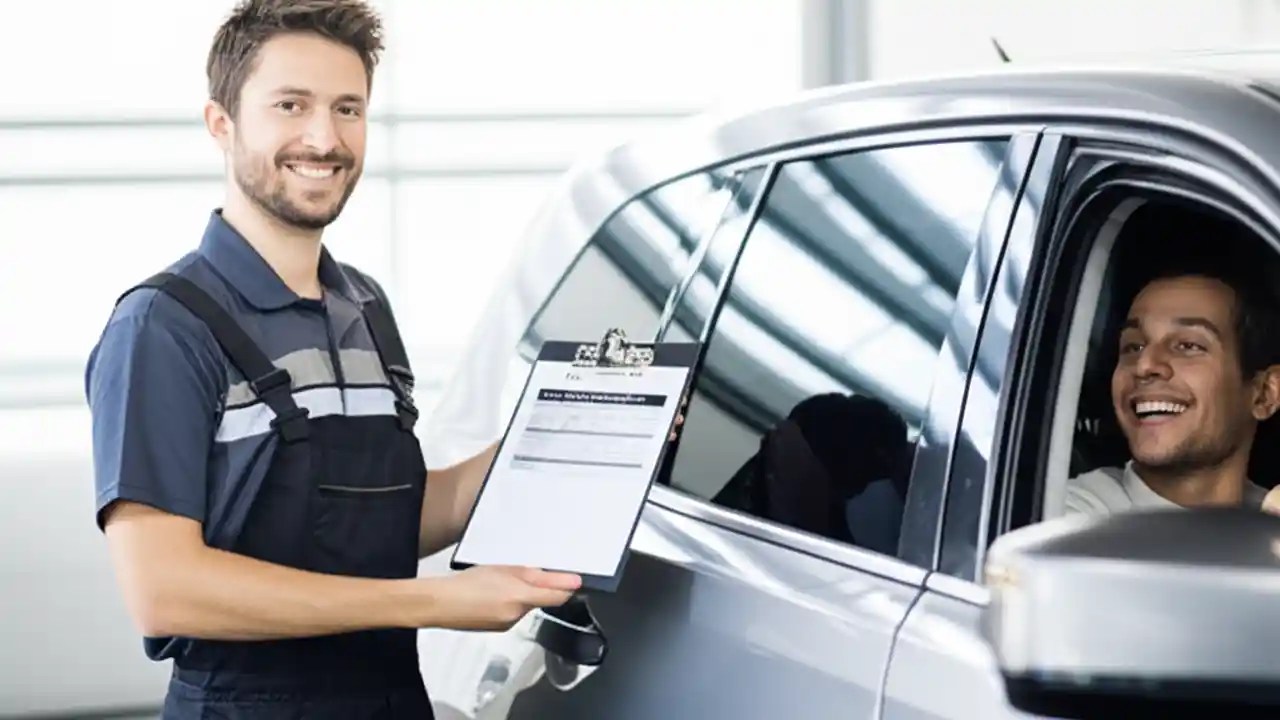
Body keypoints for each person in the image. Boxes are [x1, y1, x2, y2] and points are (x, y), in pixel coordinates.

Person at [85, 1, 595, 717]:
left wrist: (572, 433)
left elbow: (387, 522)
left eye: (348, 109)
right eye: (291, 105)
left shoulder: (365, 307)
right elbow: (165, 591)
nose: (324, 138)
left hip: (389, 700)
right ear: (221, 124)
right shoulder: (164, 327)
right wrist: (432, 601)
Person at [1066, 217, 1280, 517]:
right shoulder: (1073, 518)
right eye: (1133, 346)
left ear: (1263, 394)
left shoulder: (1268, 520)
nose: (1144, 365)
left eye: (1188, 346)